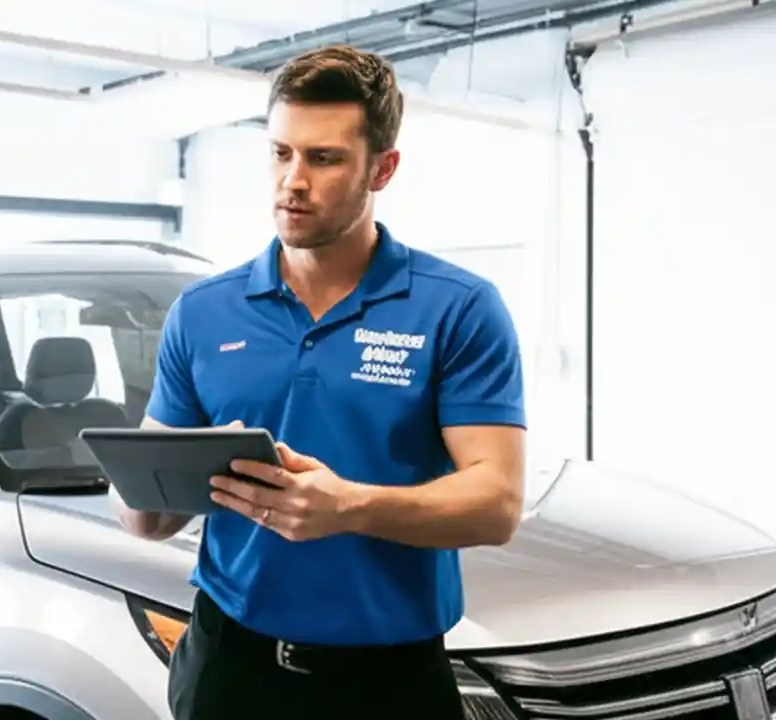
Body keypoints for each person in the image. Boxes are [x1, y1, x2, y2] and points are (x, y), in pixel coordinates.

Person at [111, 44, 526, 719]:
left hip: (388, 684)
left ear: (382, 169)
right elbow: (148, 508)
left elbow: (497, 502)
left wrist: (351, 507)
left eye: (324, 158)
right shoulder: (204, 312)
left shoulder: (458, 308)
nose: (293, 181)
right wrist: (140, 501)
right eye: (280, 153)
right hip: (229, 670)